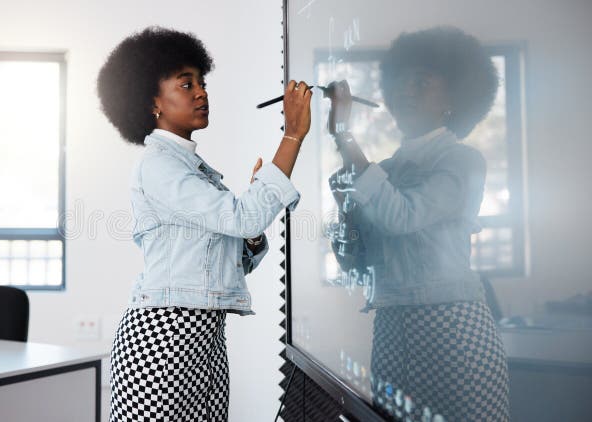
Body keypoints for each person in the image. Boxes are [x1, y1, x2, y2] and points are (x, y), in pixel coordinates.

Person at [96, 27, 312, 421]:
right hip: (162, 341)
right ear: (151, 103)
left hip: (202, 336)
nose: (201, 92)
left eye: (201, 81)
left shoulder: (191, 170)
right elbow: (243, 215)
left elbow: (235, 251)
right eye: (185, 83)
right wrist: (293, 136)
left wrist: (249, 217)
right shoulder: (159, 166)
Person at [327, 27, 509, 421]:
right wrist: (346, 212)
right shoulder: (385, 170)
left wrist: (345, 136)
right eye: (400, 80)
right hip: (391, 330)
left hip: (454, 336)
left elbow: (402, 216)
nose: (405, 90)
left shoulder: (463, 161)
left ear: (455, 98)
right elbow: (353, 265)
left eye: (421, 81)